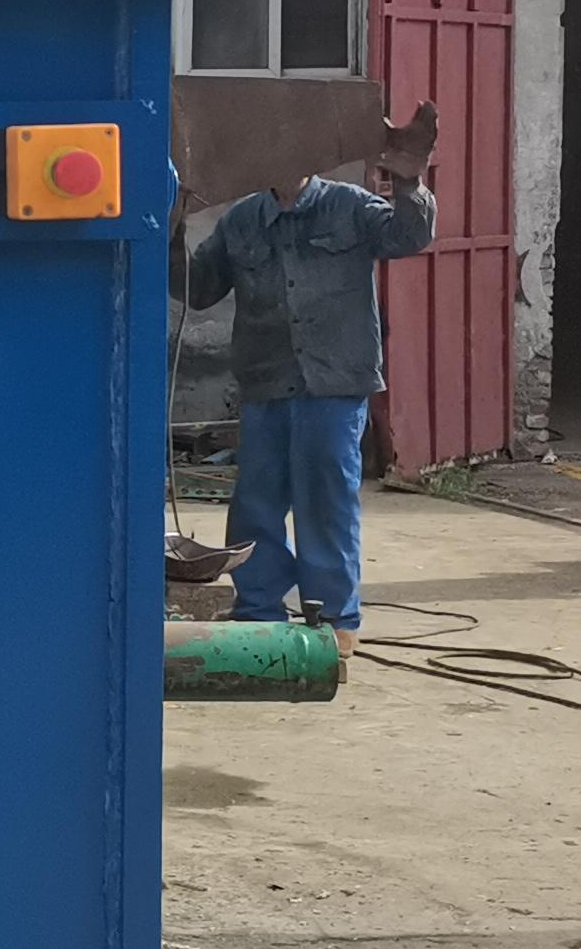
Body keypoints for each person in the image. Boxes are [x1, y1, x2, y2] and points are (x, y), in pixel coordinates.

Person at [183, 145, 435, 648]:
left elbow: (410, 236)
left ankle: (334, 621)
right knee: (255, 505)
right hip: (266, 381)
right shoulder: (242, 220)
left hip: (334, 383)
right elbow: (198, 287)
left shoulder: (350, 206)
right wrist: (167, 230)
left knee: (326, 502)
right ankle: (258, 612)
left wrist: (410, 184)